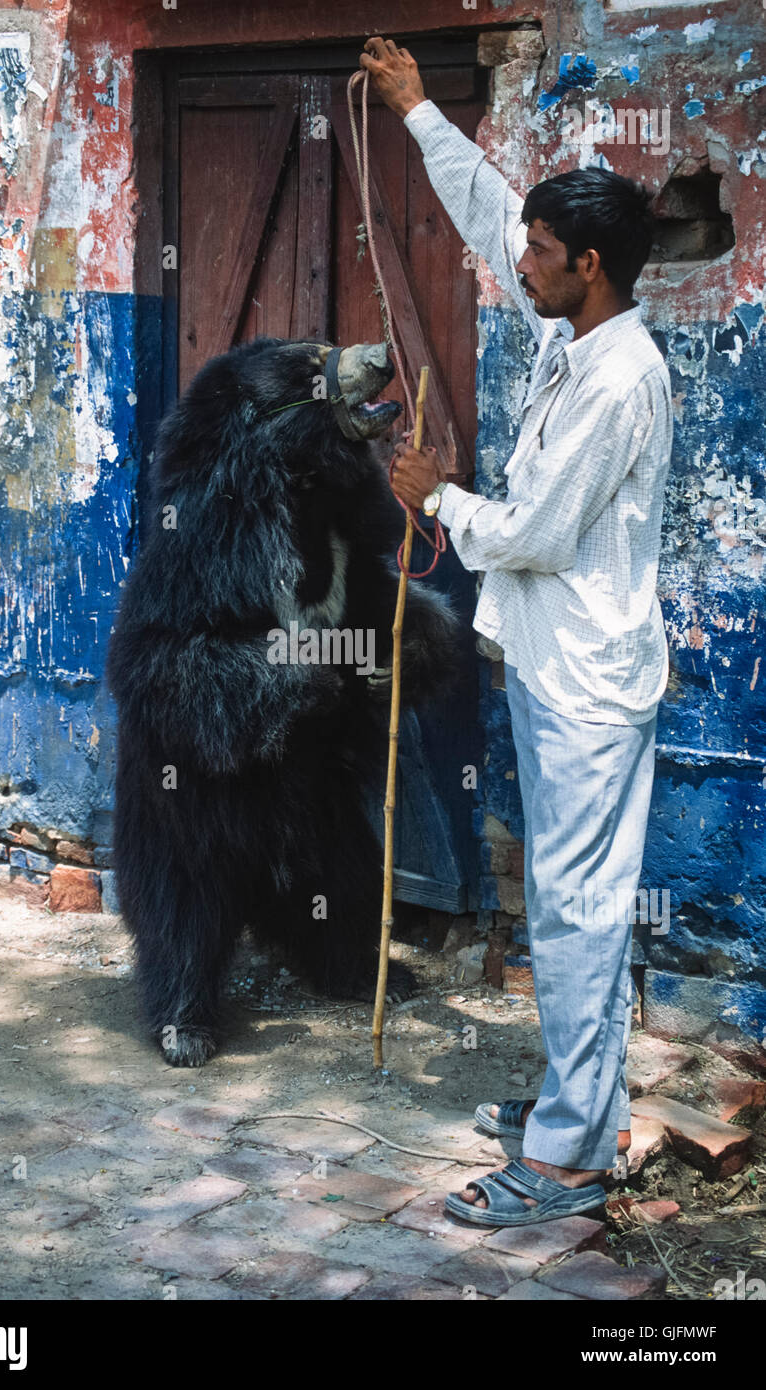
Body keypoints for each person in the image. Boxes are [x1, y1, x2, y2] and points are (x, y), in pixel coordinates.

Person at [361, 36, 674, 1227]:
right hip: (556, 671)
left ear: (587, 267)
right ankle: (581, 1107)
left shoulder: (615, 376)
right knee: (572, 903)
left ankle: (569, 1161)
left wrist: (434, 493)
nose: (521, 264)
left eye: (543, 256)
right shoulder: (573, 328)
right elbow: (497, 216)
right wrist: (418, 116)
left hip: (588, 684)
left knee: (582, 910)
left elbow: (533, 531)